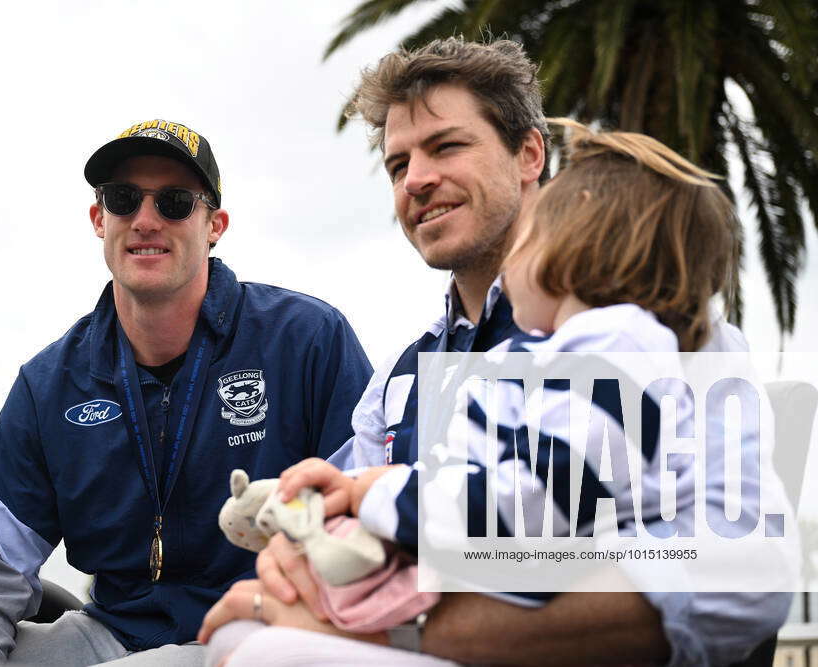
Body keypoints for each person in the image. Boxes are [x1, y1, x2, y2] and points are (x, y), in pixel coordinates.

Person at [199, 39, 793, 666]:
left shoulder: (655, 330)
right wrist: (296, 554)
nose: (417, 180)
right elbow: (343, 515)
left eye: (446, 146)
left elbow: (742, 573)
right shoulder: (399, 382)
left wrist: (377, 630)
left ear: (529, 153)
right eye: (398, 166)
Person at [0, 119, 372, 665]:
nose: (146, 220)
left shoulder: (307, 341)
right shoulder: (49, 384)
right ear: (98, 218)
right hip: (115, 634)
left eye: (176, 202)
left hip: (271, 630)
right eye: (124, 199)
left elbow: (367, 519)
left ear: (214, 225)